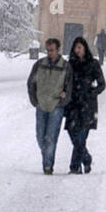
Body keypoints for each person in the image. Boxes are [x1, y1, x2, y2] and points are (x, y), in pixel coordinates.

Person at [26, 37, 73, 174]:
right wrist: (34, 100)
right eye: (47, 50)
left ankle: (47, 165)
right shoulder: (39, 64)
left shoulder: (65, 67)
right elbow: (31, 83)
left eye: (52, 50)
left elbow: (69, 86)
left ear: (58, 50)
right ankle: (47, 157)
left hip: (56, 107)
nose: (49, 53)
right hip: (41, 105)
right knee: (40, 136)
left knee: (51, 138)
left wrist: (62, 101)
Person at [63, 36, 106, 173]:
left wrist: (90, 92)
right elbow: (64, 83)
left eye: (80, 47)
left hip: (87, 105)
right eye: (76, 48)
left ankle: (74, 167)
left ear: (85, 48)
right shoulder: (69, 64)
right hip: (73, 104)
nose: (77, 50)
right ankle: (86, 159)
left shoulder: (93, 64)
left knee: (81, 136)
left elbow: (102, 84)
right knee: (73, 134)